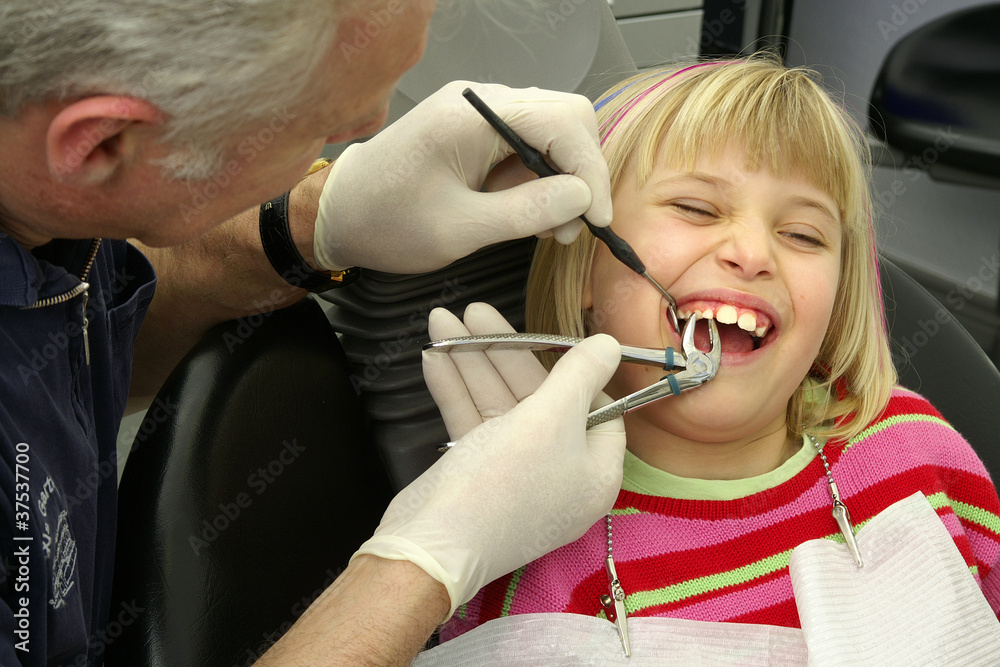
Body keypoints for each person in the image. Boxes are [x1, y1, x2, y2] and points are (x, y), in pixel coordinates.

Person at [0, 1, 630, 665]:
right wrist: (426, 562)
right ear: (97, 145)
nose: (373, 125)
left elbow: (74, 348)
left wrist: (306, 226)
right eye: (323, 126)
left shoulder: (37, 204)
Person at [423, 56, 1000, 660]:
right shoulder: (526, 543)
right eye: (696, 208)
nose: (752, 253)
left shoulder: (914, 454)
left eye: (804, 234)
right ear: (585, 269)